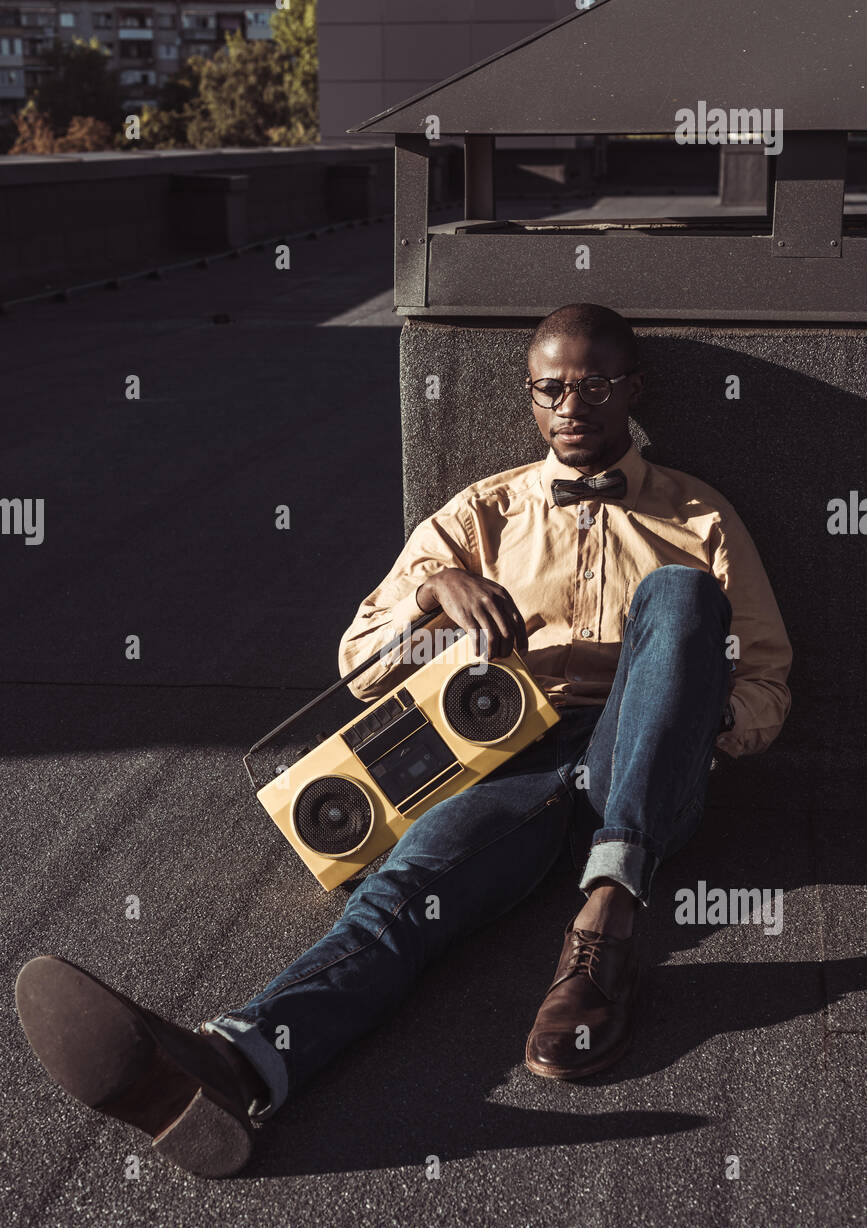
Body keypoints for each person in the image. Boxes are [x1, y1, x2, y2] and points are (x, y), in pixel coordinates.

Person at [15, 303, 792, 1179]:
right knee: (404, 888)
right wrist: (432, 595)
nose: (570, 405)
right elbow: (359, 665)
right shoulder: (480, 513)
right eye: (550, 389)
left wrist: (671, 694)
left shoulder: (702, 516)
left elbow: (763, 686)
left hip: (641, 769)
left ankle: (606, 923)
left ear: (632, 393)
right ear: (529, 399)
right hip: (510, 769)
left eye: (593, 386)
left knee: (682, 600)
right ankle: (234, 1063)